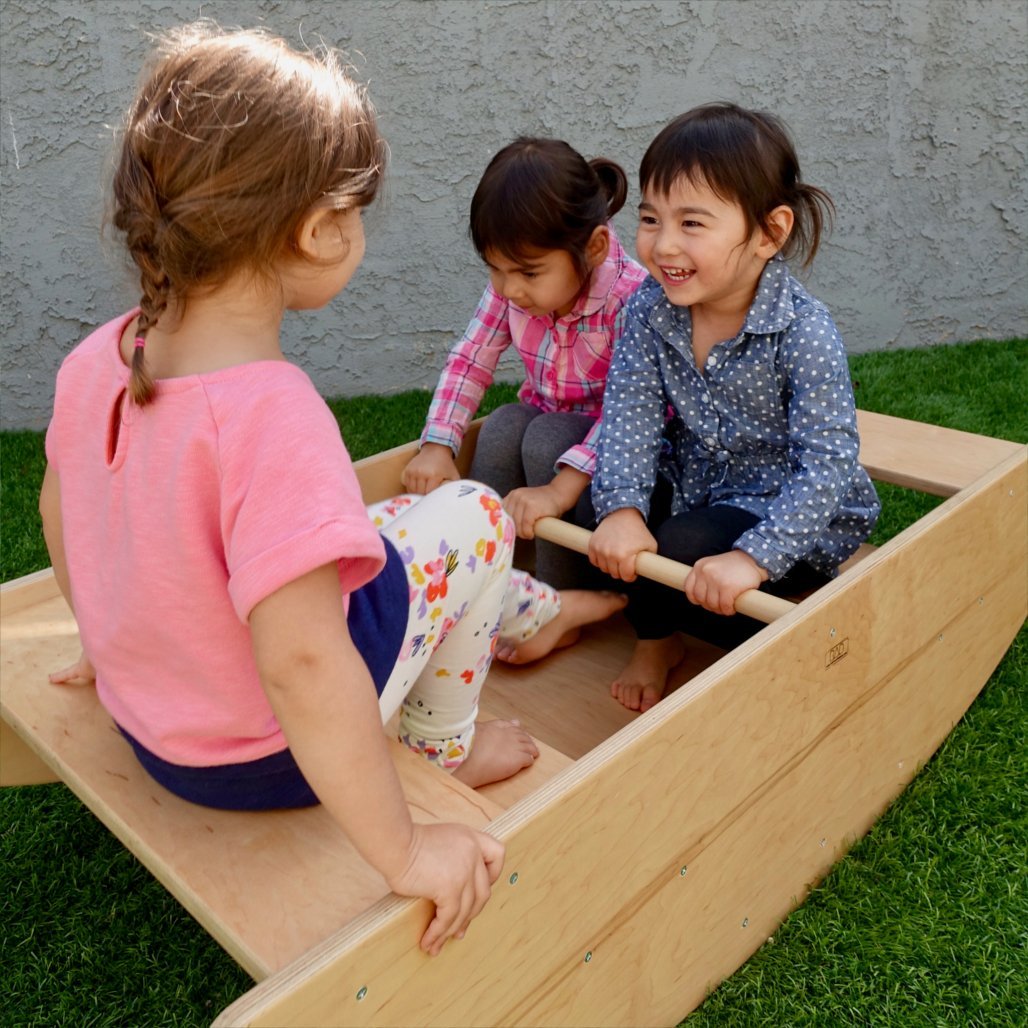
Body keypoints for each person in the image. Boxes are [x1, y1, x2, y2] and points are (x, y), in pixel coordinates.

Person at [37, 23, 610, 958]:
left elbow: (64, 516)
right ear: (316, 228)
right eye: (357, 212)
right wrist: (405, 848)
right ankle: (443, 736)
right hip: (261, 757)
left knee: (371, 525)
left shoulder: (99, 357)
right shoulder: (272, 414)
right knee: (471, 514)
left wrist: (108, 651)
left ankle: (529, 610)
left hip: (154, 722)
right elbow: (303, 664)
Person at [587, 103, 881, 714]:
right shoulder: (648, 309)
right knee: (613, 515)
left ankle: (756, 609)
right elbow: (630, 418)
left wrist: (756, 557)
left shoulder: (804, 331)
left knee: (685, 546)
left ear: (769, 233)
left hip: (788, 503)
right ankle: (658, 639)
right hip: (700, 478)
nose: (663, 244)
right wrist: (620, 508)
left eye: (692, 223)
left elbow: (827, 465)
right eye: (649, 218)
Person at [401, 138, 647, 606]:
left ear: (593, 248)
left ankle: (561, 597)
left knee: (545, 437)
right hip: (544, 415)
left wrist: (558, 489)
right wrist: (437, 446)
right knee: (502, 425)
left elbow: (630, 414)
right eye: (496, 269)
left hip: (614, 443)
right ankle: (483, 574)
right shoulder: (512, 287)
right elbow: (472, 357)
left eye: (528, 273)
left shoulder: (633, 299)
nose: (509, 288)